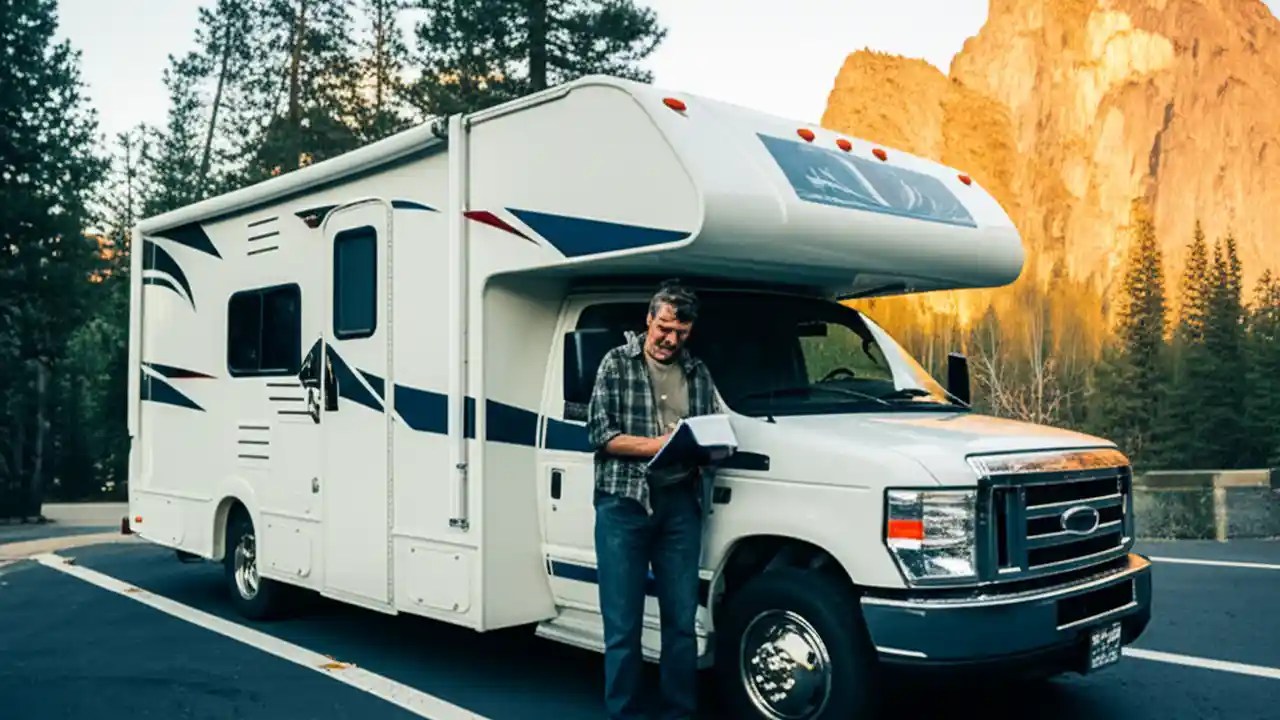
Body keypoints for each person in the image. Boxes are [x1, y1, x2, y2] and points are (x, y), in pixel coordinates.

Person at [586, 279, 723, 720]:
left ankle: (678, 712)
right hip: (623, 505)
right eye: (663, 328)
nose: (670, 339)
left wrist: (713, 446)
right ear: (649, 319)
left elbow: (709, 427)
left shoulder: (698, 372)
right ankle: (623, 713)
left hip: (680, 505)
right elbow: (601, 436)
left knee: (681, 624)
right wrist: (661, 445)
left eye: (680, 332)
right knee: (622, 626)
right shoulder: (615, 364)